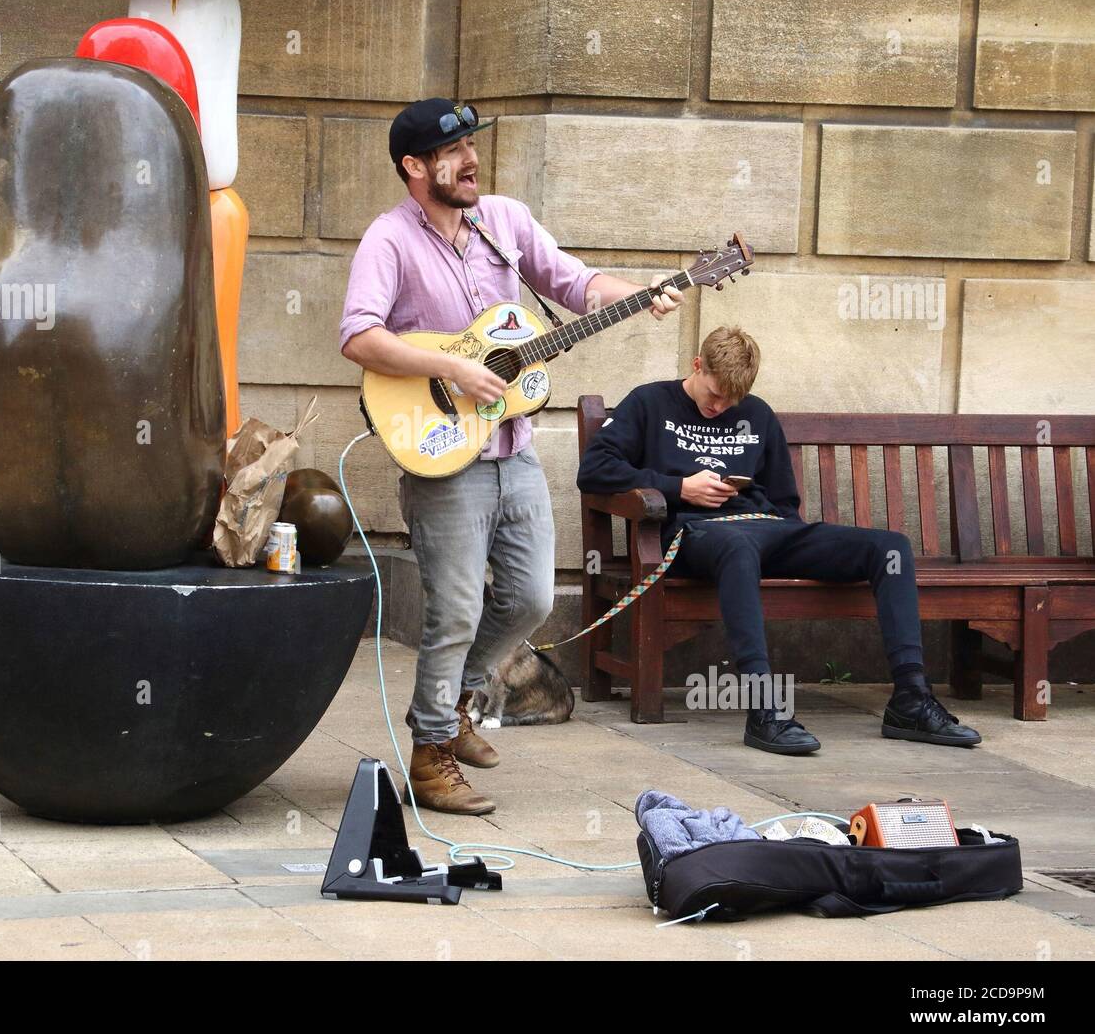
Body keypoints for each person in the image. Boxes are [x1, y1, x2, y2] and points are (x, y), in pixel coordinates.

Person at [339, 98, 684, 813]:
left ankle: (454, 704)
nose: (471, 161)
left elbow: (573, 283)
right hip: (442, 453)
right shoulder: (389, 241)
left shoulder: (504, 223)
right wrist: (455, 370)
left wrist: (640, 292)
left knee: (527, 597)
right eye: (453, 152)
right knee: (455, 609)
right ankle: (432, 758)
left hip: (513, 446)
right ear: (414, 167)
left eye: (471, 146)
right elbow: (359, 337)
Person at [576, 324, 982, 755]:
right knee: (737, 547)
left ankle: (911, 700)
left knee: (891, 547)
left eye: (732, 400)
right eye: (714, 394)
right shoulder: (649, 402)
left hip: (768, 531)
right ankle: (765, 708)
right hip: (698, 535)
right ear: (697, 365)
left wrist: (787, 537)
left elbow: (785, 501)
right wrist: (680, 488)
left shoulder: (758, 413)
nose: (720, 406)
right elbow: (594, 471)